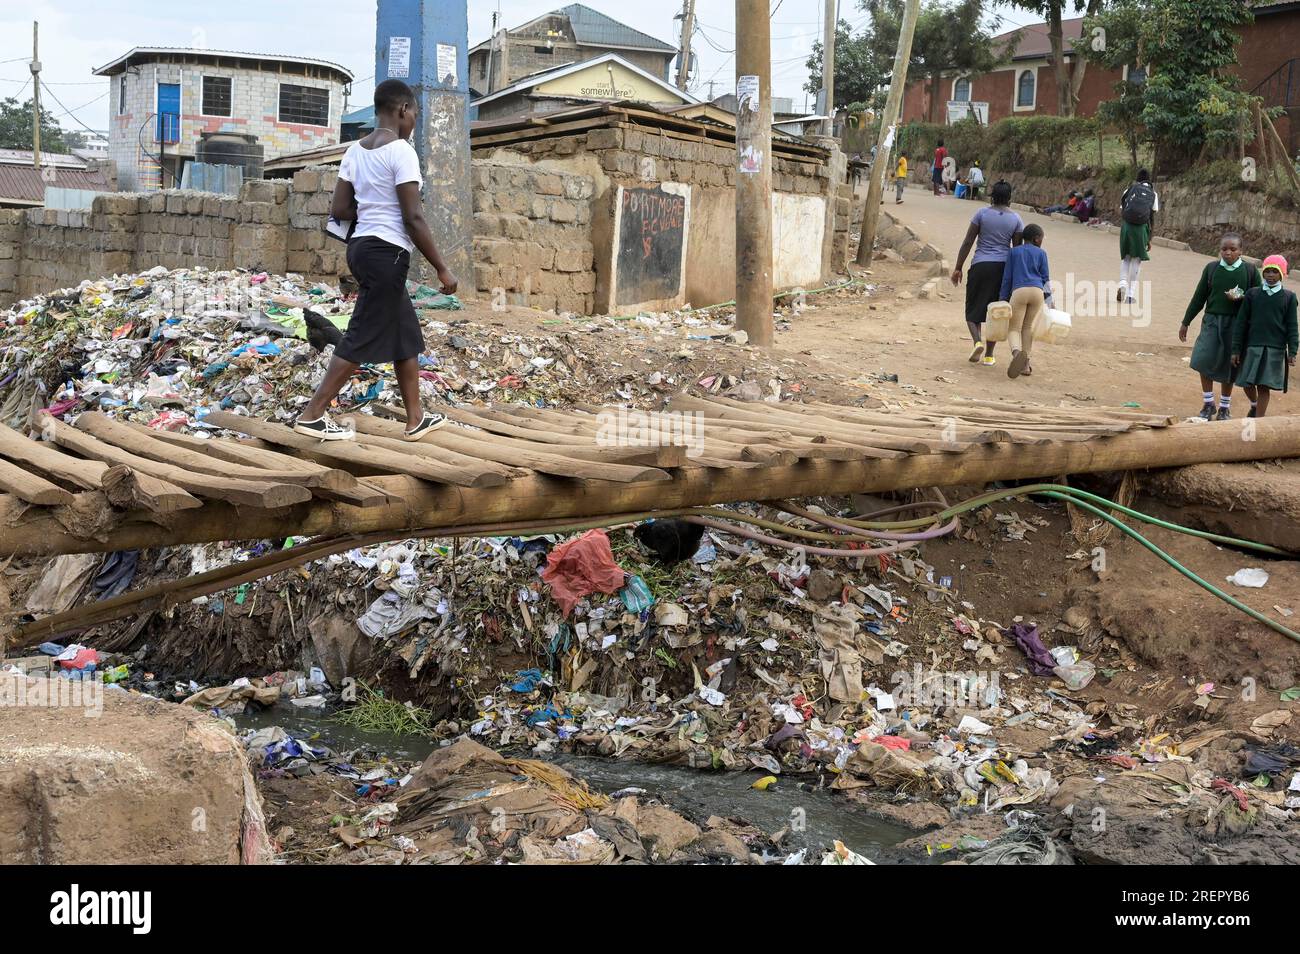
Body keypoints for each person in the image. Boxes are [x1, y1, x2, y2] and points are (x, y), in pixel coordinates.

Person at [294, 79, 458, 442]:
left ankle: (415, 418)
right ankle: (312, 415)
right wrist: (442, 267)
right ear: (403, 110)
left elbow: (340, 208)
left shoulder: (354, 151)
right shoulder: (402, 151)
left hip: (360, 249)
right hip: (387, 254)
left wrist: (372, 207)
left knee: (405, 333)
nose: (413, 121)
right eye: (414, 114)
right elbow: (413, 217)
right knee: (360, 335)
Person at [1179, 233, 1260, 420]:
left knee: (1229, 364)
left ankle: (1224, 407)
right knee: (1202, 358)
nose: (1228, 253)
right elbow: (1199, 297)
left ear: (1241, 251)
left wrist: (1242, 296)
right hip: (1212, 321)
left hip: (1237, 324)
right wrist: (1186, 322)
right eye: (1224, 249)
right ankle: (1208, 403)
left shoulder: (1249, 271)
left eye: (1233, 249)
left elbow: (1258, 297)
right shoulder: (1212, 269)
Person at [951, 179, 1025, 366]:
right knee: (996, 312)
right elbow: (1017, 250)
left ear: (992, 196)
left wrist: (958, 267)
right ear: (1009, 198)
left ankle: (977, 342)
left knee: (972, 307)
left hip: (980, 265)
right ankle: (990, 355)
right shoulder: (1016, 219)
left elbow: (968, 242)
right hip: (1002, 269)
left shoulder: (981, 214)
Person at [1233, 254, 1298, 418]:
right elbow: (1241, 323)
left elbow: (1292, 326)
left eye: (1275, 272)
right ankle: (1255, 405)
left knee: (1263, 386)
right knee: (1246, 382)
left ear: (1282, 274)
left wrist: (1293, 351)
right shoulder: (1252, 294)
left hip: (1274, 349)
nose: (1270, 275)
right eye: (1267, 271)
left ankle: (1259, 421)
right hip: (1252, 346)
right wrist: (1236, 349)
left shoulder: (1289, 297)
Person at [999, 223, 1052, 379]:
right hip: (1037, 292)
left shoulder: (1014, 252)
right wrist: (1049, 301)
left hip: (1019, 292)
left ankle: (1017, 354)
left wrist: (1003, 299)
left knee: (1013, 328)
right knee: (1027, 328)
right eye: (1042, 238)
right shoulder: (1042, 253)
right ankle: (1026, 364)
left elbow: (1007, 278)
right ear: (1036, 239)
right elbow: (1045, 278)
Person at [1118, 169, 1159, 304]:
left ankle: (1122, 284)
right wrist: (1149, 239)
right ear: (1149, 180)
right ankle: (1130, 295)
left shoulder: (1130, 189)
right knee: (1137, 260)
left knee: (1126, 257)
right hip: (1141, 229)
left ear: (1137, 179)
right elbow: (1151, 217)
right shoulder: (1153, 194)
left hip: (1127, 226)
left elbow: (1123, 210)